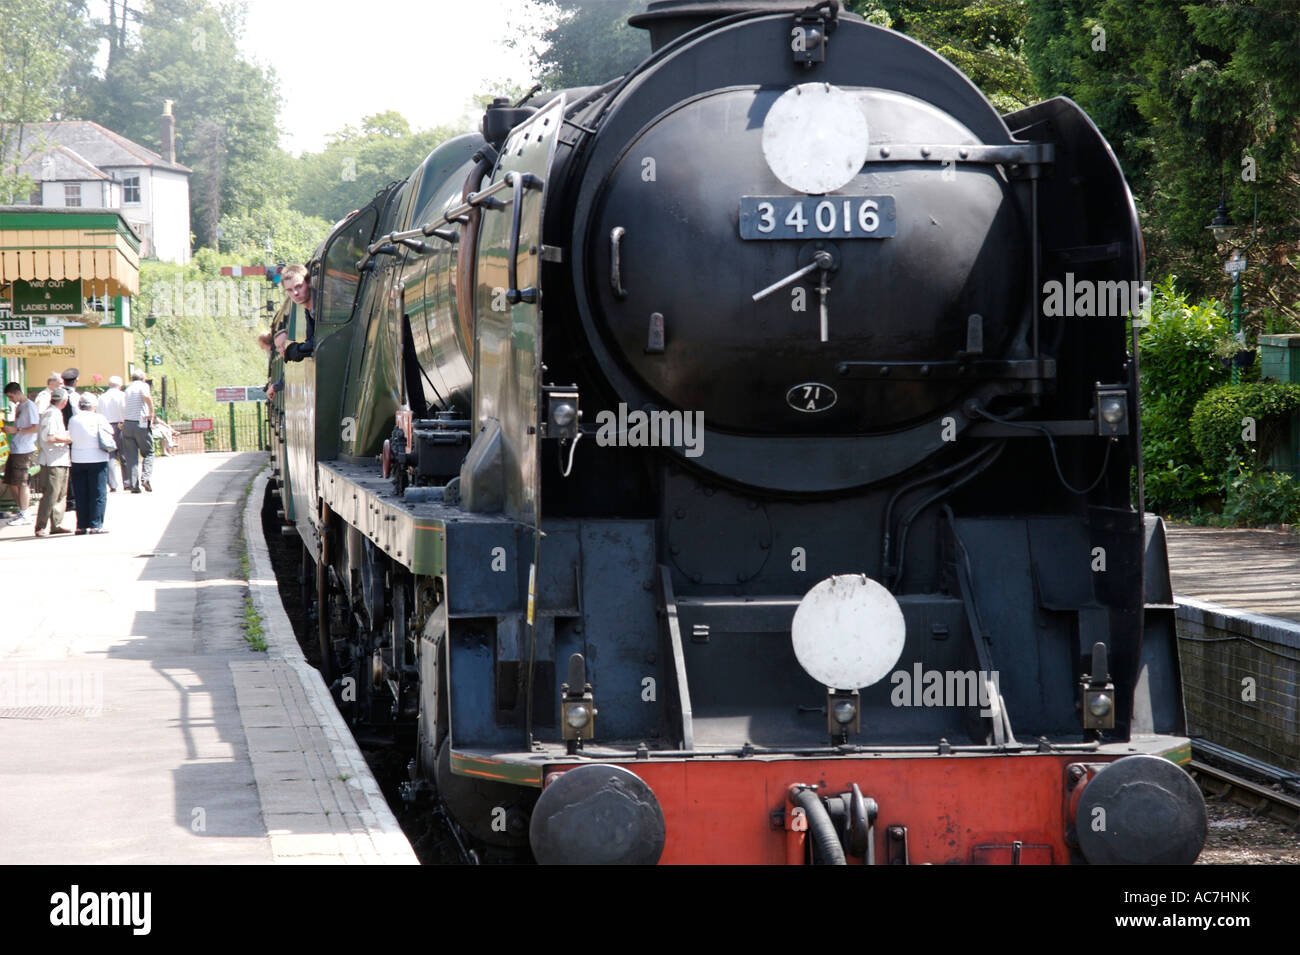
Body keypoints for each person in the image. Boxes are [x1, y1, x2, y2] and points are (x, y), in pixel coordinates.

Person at [69, 392, 114, 534]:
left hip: (77, 459)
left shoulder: (73, 419)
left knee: (81, 493)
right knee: (98, 492)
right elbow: (110, 432)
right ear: (94, 406)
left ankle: (82, 525)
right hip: (97, 458)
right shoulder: (99, 418)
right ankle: (96, 525)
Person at [34, 388, 73, 536]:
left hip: (60, 458)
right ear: (64, 401)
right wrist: (68, 438)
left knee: (61, 493)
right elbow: (49, 437)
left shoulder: (55, 413)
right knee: (51, 494)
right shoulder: (51, 414)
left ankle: (57, 523)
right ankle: (41, 526)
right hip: (52, 460)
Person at [3, 382, 40, 525]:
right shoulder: (20, 407)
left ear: (17, 392)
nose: (10, 399)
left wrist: (16, 431)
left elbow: (35, 427)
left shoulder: (29, 406)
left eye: (11, 396)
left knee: (21, 482)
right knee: (11, 481)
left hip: (24, 449)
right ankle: (22, 510)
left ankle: (25, 513)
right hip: (17, 447)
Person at [122, 369, 155, 493]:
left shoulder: (127, 389)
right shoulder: (143, 386)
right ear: (143, 379)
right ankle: (145, 478)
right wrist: (151, 411)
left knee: (131, 456)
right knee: (149, 452)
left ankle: (134, 485)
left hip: (128, 423)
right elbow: (146, 396)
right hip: (140, 422)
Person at [275, 265, 316, 362]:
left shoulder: (324, 306)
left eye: (299, 286)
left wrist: (297, 349)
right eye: (289, 290)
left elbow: (321, 339)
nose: (295, 293)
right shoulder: (308, 311)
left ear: (308, 282)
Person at [98, 375, 127, 491]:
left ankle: (113, 484)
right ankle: (128, 482)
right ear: (120, 385)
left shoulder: (102, 397)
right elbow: (125, 411)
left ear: (109, 385)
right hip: (120, 425)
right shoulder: (122, 396)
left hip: (106, 426)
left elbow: (99, 413)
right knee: (124, 454)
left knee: (110, 455)